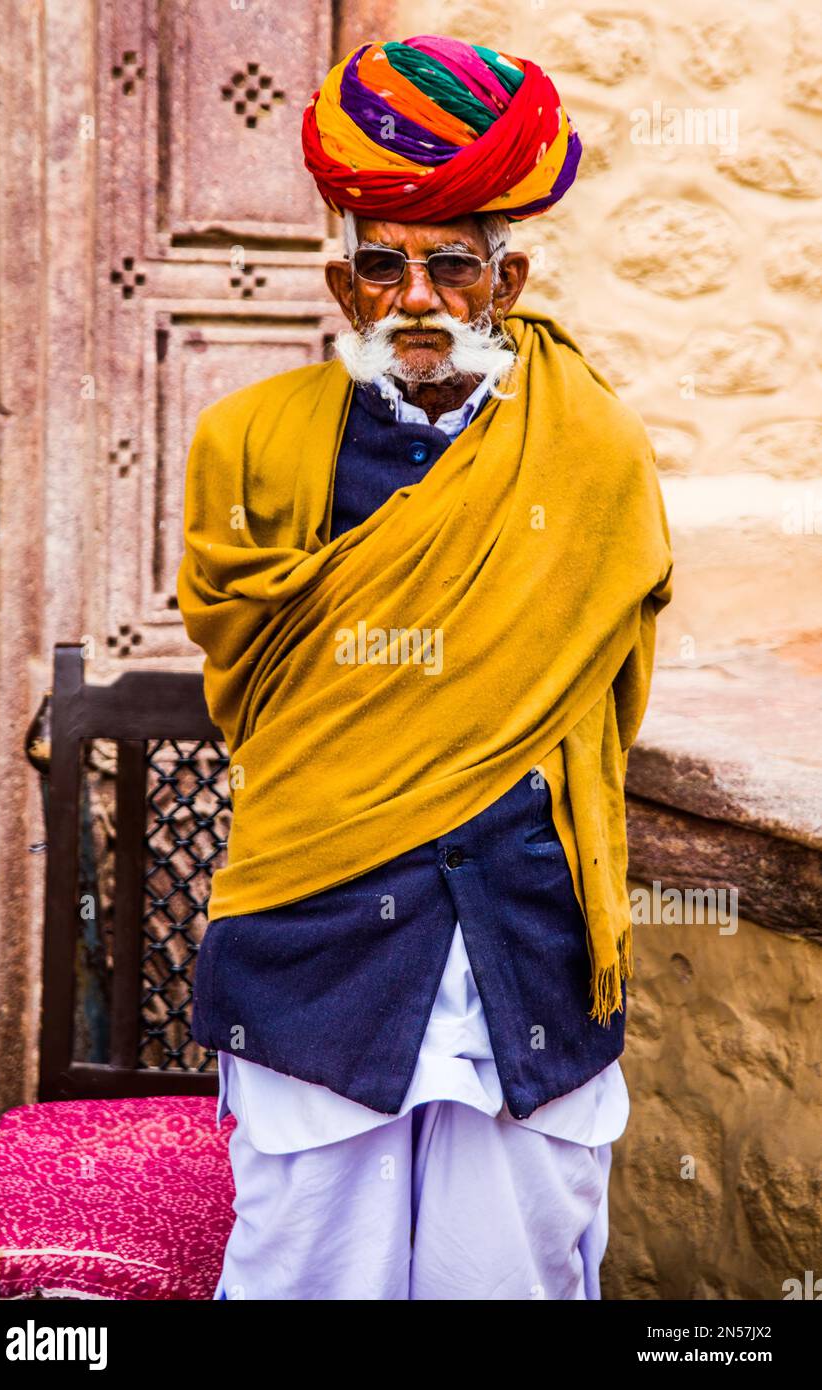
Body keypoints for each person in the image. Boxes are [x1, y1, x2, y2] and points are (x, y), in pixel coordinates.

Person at [177, 33, 673, 1301]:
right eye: (382, 266)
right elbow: (254, 675)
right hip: (316, 928)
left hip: (523, 926)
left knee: (501, 1267)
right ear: (342, 287)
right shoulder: (251, 446)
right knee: (305, 1263)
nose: (417, 299)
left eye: (452, 265)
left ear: (506, 278)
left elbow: (601, 689)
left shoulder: (590, 448)